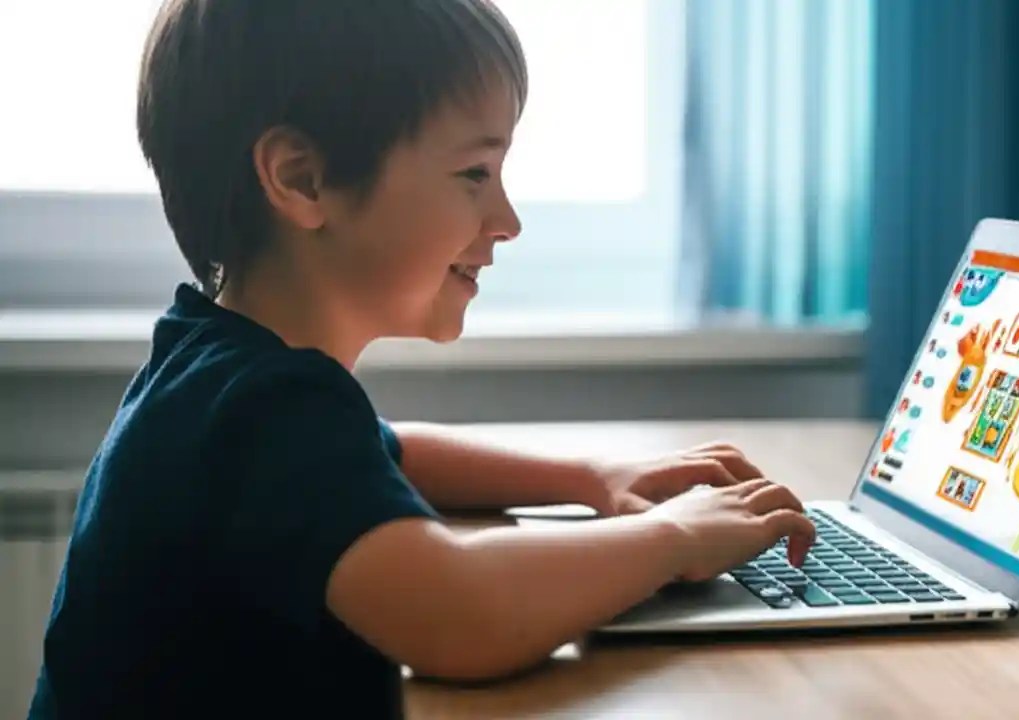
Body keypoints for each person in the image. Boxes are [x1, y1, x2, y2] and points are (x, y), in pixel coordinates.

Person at [27, 1, 815, 718]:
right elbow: (462, 615)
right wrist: (675, 538)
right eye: (474, 173)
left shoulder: (218, 369)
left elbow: (386, 447)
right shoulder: (262, 412)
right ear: (302, 180)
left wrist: (591, 479)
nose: (506, 220)